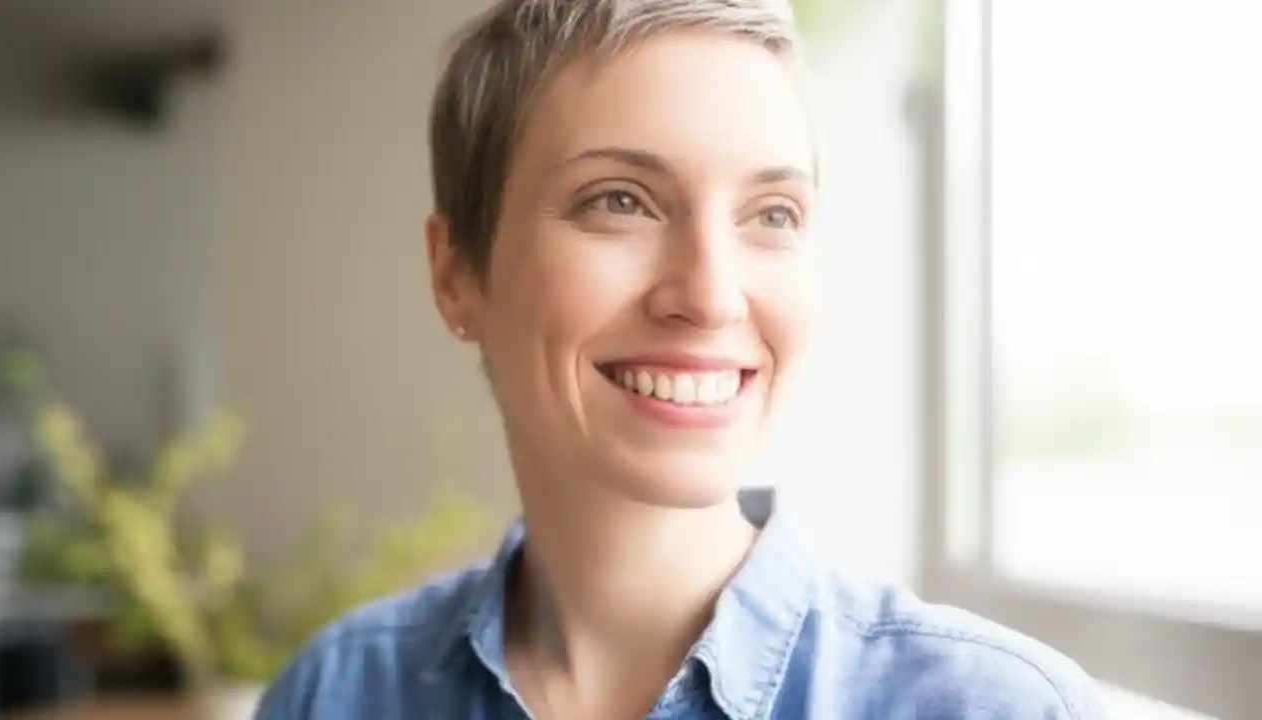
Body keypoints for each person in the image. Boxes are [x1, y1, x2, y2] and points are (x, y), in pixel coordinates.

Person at [255, 0, 1102, 717]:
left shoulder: (997, 707)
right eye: (619, 201)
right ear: (456, 275)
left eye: (772, 213)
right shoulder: (335, 692)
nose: (711, 295)